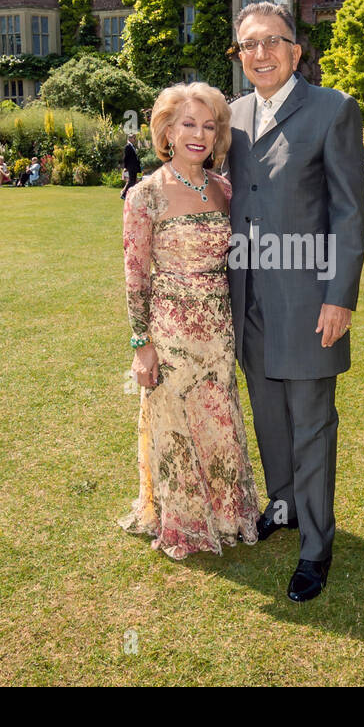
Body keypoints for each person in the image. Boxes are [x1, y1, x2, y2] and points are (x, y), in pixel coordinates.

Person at [226, 1, 364, 602]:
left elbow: (349, 212)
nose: (259, 54)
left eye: (271, 43)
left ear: (295, 50)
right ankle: (281, 507)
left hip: (312, 303)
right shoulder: (229, 115)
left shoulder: (333, 110)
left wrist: (340, 297)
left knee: (312, 425)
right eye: (247, 46)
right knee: (271, 419)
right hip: (249, 300)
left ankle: (316, 545)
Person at [118, 82, 260, 559]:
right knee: (176, 428)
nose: (199, 134)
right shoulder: (145, 196)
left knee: (219, 424)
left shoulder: (225, 189)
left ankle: (226, 516)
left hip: (219, 330)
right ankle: (184, 522)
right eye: (188, 124)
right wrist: (142, 345)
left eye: (208, 125)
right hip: (171, 332)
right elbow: (136, 277)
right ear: (168, 130)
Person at [121, 134, 141, 199]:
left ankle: (133, 195)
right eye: (133, 138)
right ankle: (124, 195)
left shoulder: (133, 146)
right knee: (131, 181)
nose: (135, 139)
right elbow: (125, 158)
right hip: (131, 167)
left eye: (135, 138)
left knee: (136, 180)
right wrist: (125, 167)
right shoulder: (128, 146)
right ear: (129, 139)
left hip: (136, 167)